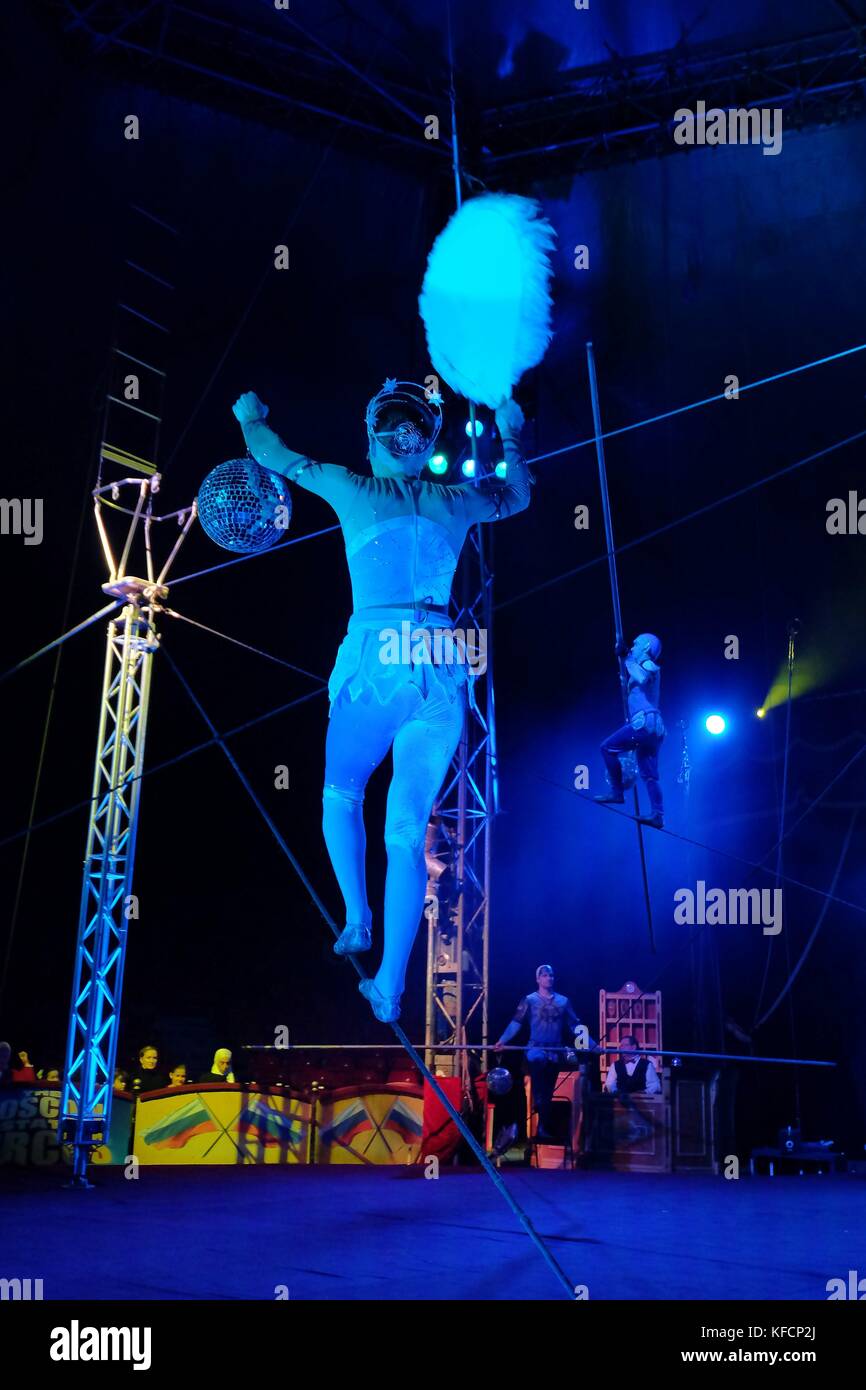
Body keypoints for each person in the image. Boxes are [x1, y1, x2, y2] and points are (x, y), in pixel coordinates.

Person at [234, 382, 532, 1022]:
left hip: (377, 658)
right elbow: (519, 494)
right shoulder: (457, 501)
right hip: (441, 666)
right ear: (424, 446)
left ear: (373, 437)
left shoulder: (354, 487)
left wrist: (251, 415)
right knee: (405, 831)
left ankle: (357, 917)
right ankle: (391, 989)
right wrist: (512, 431)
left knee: (341, 793)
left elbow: (273, 455)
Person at [494, 965, 594, 1142]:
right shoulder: (529, 1000)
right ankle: (539, 1110)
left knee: (547, 1094)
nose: (549, 978)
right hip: (536, 1050)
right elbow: (516, 1023)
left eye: (551, 975)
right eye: (545, 975)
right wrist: (503, 1040)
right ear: (538, 979)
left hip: (555, 1050)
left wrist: (592, 1045)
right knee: (539, 1074)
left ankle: (542, 1126)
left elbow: (575, 1026)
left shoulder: (563, 1001)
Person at [596, 633, 665, 829]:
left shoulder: (648, 664)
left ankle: (617, 792)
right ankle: (658, 814)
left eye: (636, 644)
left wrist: (627, 658)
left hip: (645, 723)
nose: (633, 646)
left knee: (607, 748)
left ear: (645, 647)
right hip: (653, 727)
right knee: (649, 775)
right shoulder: (641, 664)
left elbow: (643, 677)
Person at [605, 1034, 661, 1142]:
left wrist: (642, 1093)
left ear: (633, 1047)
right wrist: (617, 1093)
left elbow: (655, 1086)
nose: (621, 1048)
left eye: (624, 1045)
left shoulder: (646, 1064)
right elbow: (609, 1084)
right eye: (620, 1046)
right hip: (620, 1106)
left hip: (642, 1107)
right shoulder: (615, 1065)